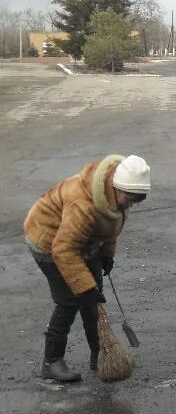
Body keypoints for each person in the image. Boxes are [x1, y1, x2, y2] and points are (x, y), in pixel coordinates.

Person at [24, 155, 151, 382]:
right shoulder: (84, 205)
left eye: (135, 201)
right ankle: (51, 362)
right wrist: (84, 287)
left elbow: (112, 222)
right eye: (128, 199)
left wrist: (107, 254)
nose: (129, 205)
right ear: (116, 186)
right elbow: (63, 250)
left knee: (94, 299)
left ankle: (100, 354)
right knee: (70, 299)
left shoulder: (118, 193)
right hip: (49, 241)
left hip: (83, 242)